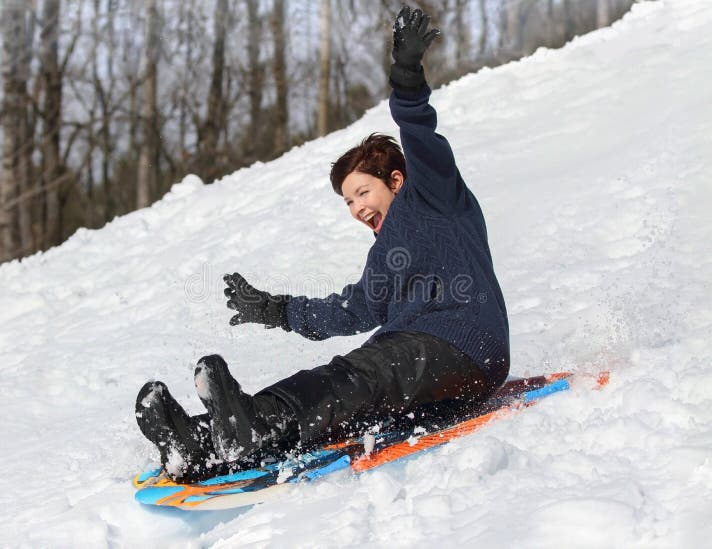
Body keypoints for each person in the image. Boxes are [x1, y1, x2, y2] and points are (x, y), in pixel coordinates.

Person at [135, 5, 509, 483]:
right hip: (416, 355)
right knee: (333, 379)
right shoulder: (386, 253)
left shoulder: (435, 195)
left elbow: (418, 133)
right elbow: (354, 311)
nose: (356, 208)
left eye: (362, 192)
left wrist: (407, 75)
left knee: (358, 378)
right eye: (348, 202)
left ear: (396, 180)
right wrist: (277, 310)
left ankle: (245, 433)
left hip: (467, 346)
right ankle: (204, 441)